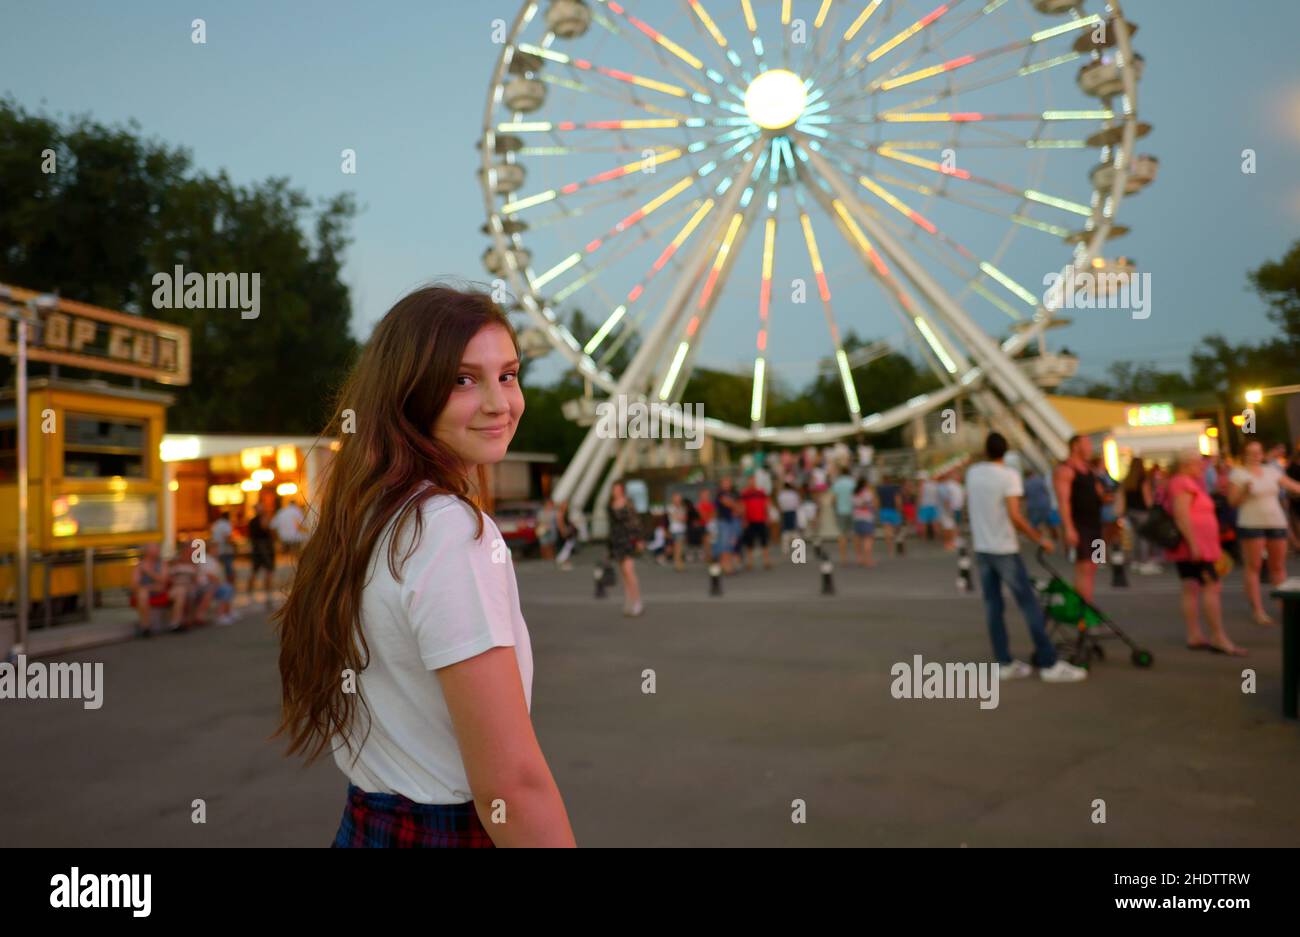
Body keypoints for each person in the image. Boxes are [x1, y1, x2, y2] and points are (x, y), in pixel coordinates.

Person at [274, 285, 574, 847]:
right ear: (407, 392)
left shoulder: (362, 517)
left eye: (507, 375)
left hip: (369, 822)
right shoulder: (447, 532)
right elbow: (510, 785)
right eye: (463, 380)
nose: (498, 402)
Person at [965, 433, 1086, 682]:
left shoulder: (973, 473)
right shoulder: (1008, 476)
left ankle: (1003, 661)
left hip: (982, 547)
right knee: (1028, 604)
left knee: (993, 606)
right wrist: (1039, 538)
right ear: (1005, 451)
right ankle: (1049, 662)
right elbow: (1015, 515)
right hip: (1004, 548)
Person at [1166, 451, 1245, 655]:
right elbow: (1181, 515)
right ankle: (1218, 636)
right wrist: (1194, 544)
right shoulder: (1182, 483)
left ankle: (1195, 634)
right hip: (1195, 545)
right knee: (1212, 585)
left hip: (1197, 544)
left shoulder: (1186, 482)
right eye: (1198, 463)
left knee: (1191, 587)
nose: (1202, 466)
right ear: (1186, 464)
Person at [1229, 440, 1300, 625]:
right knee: (1254, 567)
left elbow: (1293, 486)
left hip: (1275, 522)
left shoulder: (1271, 471)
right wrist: (1244, 491)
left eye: (1258, 452)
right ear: (1243, 454)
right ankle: (1257, 610)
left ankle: (1284, 608)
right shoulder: (1238, 474)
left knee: (1277, 567)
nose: (1255, 456)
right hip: (1251, 524)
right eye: (1251, 452)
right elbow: (1233, 502)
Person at [1054, 435, 1103, 605]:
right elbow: (1063, 501)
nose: (1090, 447)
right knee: (1084, 567)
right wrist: (1068, 528)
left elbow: (1098, 494)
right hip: (1080, 526)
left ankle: (1086, 609)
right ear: (1075, 446)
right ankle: (1084, 615)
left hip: (1096, 525)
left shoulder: (1089, 469)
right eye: (1087, 443)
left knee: (1095, 565)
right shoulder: (1065, 470)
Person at [131, 542, 186, 636]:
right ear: (148, 551)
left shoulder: (162, 564)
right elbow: (134, 585)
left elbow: (164, 581)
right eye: (156, 548)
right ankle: (145, 627)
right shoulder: (139, 566)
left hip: (162, 592)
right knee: (142, 593)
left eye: (158, 548)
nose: (158, 551)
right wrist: (152, 587)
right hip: (147, 592)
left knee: (180, 591)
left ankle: (175, 624)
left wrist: (148, 572)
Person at [608, 481, 643, 616]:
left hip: (628, 539)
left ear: (622, 490)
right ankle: (629, 600)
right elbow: (611, 524)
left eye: (617, 489)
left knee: (629, 571)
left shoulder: (628, 502)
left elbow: (635, 520)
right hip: (616, 540)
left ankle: (637, 601)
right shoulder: (610, 504)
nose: (615, 491)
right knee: (623, 572)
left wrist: (639, 539)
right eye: (614, 489)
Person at [739, 475, 773, 570]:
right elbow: (742, 506)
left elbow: (766, 504)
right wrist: (743, 519)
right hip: (750, 520)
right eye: (750, 481)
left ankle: (766, 561)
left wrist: (768, 516)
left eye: (753, 481)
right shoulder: (745, 493)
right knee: (750, 542)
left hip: (761, 519)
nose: (752, 483)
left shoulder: (761, 492)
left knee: (764, 541)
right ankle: (750, 562)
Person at [247, 502, 277, 604]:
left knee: (257, 571)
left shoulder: (253, 521)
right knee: (267, 570)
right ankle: (266, 592)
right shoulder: (258, 521)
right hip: (263, 548)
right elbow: (266, 529)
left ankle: (252, 591)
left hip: (260, 548)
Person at [271, 497, 309, 565]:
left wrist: (278, 537)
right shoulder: (297, 511)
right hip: (295, 538)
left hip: (284, 537)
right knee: (296, 556)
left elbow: (273, 525)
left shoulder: (281, 511)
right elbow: (303, 524)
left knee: (286, 556)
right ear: (295, 504)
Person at [715, 477, 740, 574]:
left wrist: (735, 507)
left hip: (733, 521)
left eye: (728, 481)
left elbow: (740, 506)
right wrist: (735, 507)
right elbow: (728, 503)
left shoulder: (734, 493)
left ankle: (727, 565)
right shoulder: (720, 493)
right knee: (724, 543)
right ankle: (725, 566)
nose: (727, 484)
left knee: (731, 543)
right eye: (725, 482)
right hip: (724, 521)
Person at [831, 468, 856, 563]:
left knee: (842, 534)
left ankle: (843, 558)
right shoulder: (853, 483)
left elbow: (833, 499)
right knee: (854, 534)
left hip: (841, 511)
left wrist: (835, 508)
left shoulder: (837, 483)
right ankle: (858, 556)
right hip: (852, 511)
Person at [850, 477, 877, 567]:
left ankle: (859, 559)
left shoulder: (854, 493)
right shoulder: (868, 492)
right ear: (865, 484)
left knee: (858, 538)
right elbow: (874, 504)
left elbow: (853, 504)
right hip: (867, 517)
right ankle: (868, 560)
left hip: (857, 517)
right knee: (868, 539)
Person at [210, 511, 237, 590]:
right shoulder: (226, 524)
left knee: (218, 569)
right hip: (226, 550)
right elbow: (227, 537)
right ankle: (230, 587)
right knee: (229, 569)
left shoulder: (216, 524)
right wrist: (234, 545)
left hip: (217, 550)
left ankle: (220, 585)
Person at [875, 477, 902, 555]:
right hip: (893, 511)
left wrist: (877, 510)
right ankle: (895, 542)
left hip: (883, 511)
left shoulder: (879, 489)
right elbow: (897, 500)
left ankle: (890, 549)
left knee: (887, 531)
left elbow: (877, 501)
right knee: (896, 529)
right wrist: (899, 510)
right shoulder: (894, 489)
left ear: (883, 482)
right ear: (890, 482)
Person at [776, 482, 801, 557]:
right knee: (794, 530)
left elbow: (779, 504)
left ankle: (785, 549)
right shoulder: (794, 494)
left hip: (785, 513)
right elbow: (797, 503)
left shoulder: (781, 494)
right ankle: (798, 548)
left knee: (785, 531)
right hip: (792, 512)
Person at [554, 499, 577, 570]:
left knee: (568, 547)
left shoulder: (565, 513)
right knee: (565, 547)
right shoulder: (560, 513)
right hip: (563, 532)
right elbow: (560, 523)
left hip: (567, 532)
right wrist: (563, 531)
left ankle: (565, 561)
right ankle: (561, 561)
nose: (566, 506)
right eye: (565, 505)